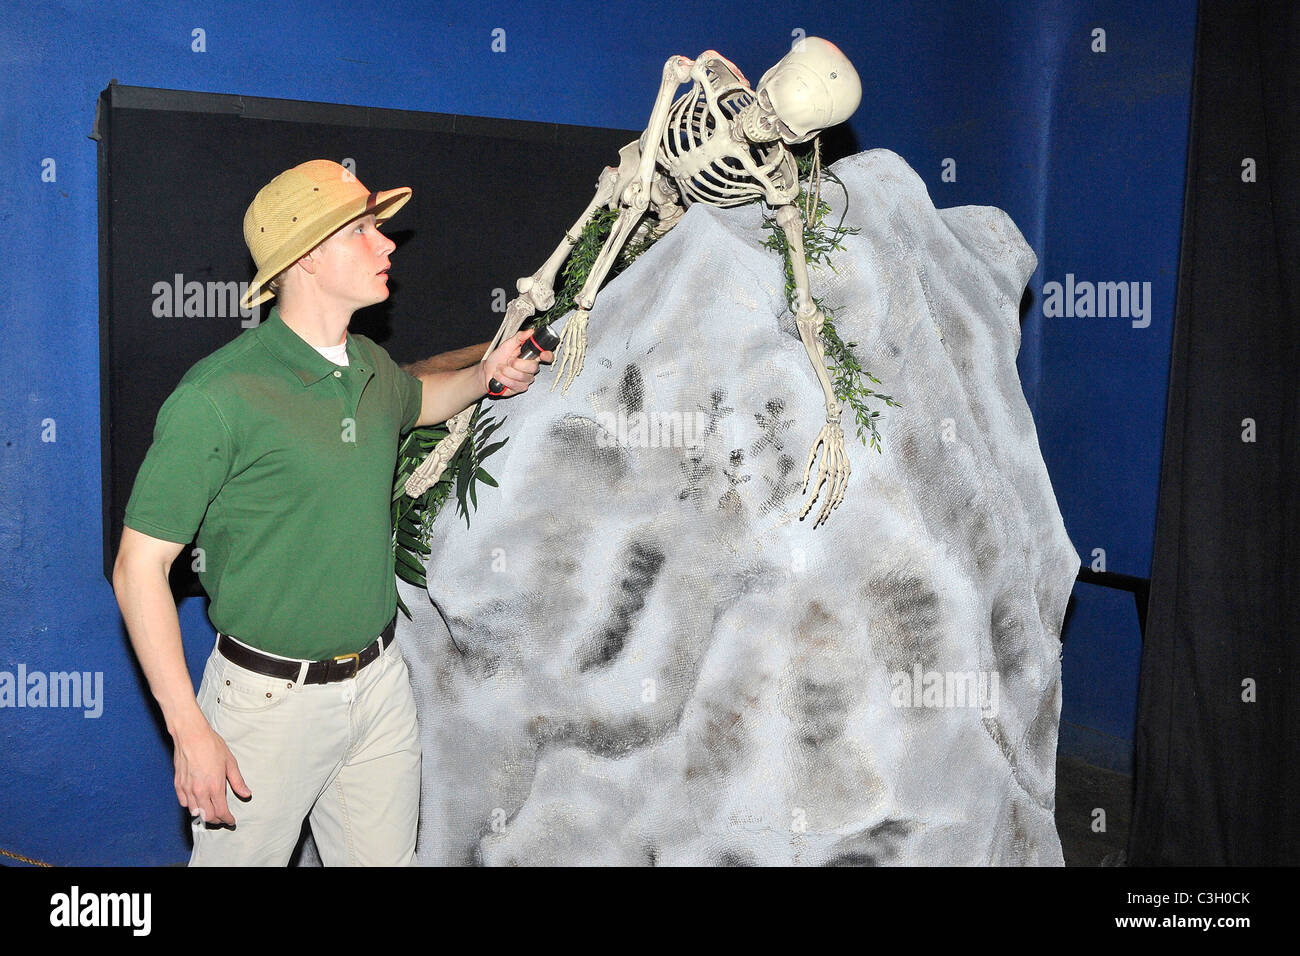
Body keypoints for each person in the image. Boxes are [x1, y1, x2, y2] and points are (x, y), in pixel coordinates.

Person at [111, 159, 551, 865]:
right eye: (365, 232)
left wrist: (482, 376)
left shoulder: (371, 365)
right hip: (266, 709)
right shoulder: (220, 396)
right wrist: (189, 730)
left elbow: (417, 406)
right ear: (308, 258)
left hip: (378, 687)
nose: (388, 246)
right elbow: (139, 569)